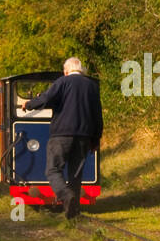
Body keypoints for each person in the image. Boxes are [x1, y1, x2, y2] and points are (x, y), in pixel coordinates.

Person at [24, 57, 103, 219]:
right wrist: (95, 140)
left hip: (62, 135)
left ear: (66, 71)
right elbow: (97, 115)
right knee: (76, 173)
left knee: (53, 169)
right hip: (83, 136)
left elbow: (46, 98)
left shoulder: (63, 82)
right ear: (81, 70)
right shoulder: (92, 86)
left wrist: (29, 104)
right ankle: (73, 212)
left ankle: (66, 196)